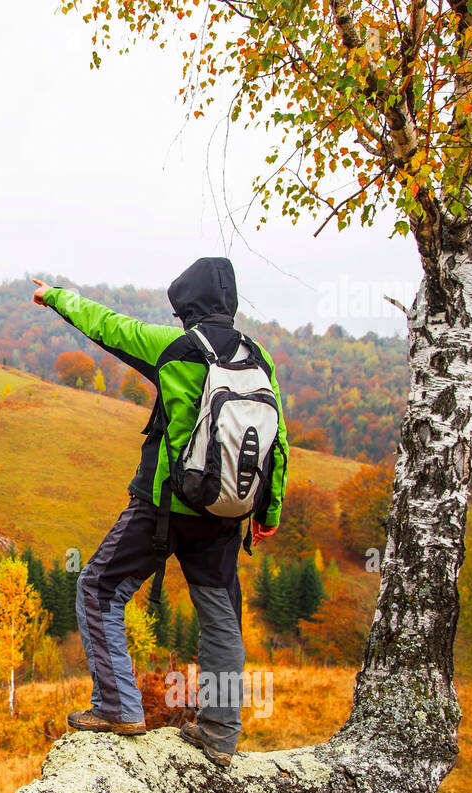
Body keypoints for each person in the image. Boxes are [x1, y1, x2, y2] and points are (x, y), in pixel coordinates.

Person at [32, 257, 288, 767]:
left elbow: (106, 326)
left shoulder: (174, 347)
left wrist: (55, 296)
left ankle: (118, 706)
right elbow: (277, 440)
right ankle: (220, 733)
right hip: (225, 513)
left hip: (163, 508)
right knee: (221, 618)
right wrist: (268, 509)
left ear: (186, 304)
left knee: (99, 588)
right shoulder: (257, 358)